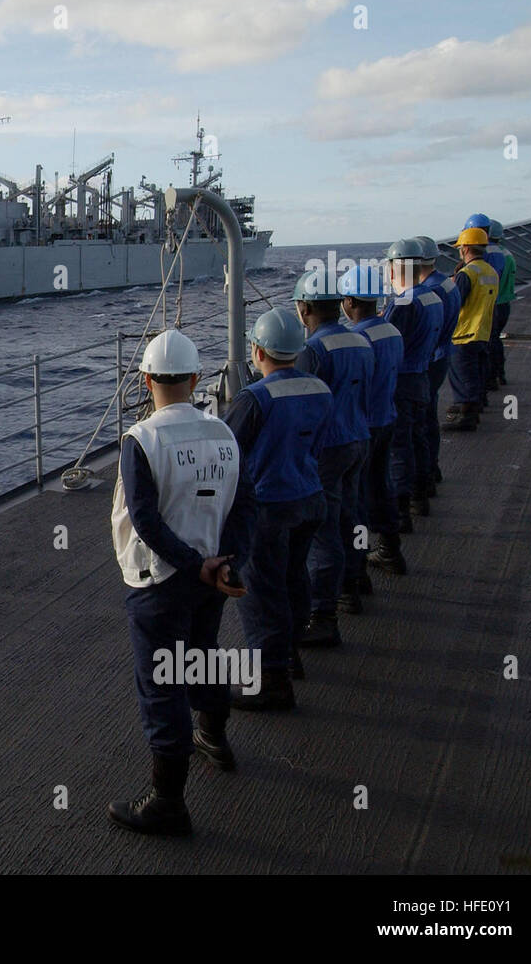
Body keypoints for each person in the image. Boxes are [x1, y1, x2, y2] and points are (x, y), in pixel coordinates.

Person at [109, 329, 255, 836]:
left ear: (148, 380)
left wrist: (193, 564)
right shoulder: (224, 434)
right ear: (195, 380)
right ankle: (213, 736)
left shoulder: (141, 440)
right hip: (211, 575)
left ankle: (168, 803)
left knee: (161, 685)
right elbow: (243, 502)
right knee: (202, 655)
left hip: (160, 581)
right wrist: (226, 563)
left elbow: (145, 521)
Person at [223, 307, 331, 710]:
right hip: (310, 498)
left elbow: (227, 450)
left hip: (268, 507)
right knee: (294, 577)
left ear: (258, 352)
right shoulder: (320, 389)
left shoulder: (254, 398)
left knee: (261, 591)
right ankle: (290, 652)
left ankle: (271, 680)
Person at [292, 269, 372, 649]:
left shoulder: (312, 350)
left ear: (305, 308)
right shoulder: (360, 340)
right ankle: (353, 582)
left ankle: (323, 615)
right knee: (350, 516)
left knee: (323, 532)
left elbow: (301, 405)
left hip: (328, 450)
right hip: (359, 438)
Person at [339, 265, 405, 587]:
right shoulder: (392, 331)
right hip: (387, 419)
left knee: (356, 502)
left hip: (363, 428)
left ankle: (358, 564)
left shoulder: (358, 339)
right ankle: (390, 549)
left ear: (350, 302)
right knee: (382, 485)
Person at [383, 238, 442, 529]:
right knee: (419, 436)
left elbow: (389, 347)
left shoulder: (403, 303)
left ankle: (401, 510)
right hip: (422, 376)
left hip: (402, 383)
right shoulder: (433, 296)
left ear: (395, 269)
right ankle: (422, 492)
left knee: (399, 446)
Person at [413, 235, 459, 497]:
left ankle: (425, 475)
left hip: (429, 361)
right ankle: (432, 467)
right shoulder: (446, 282)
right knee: (429, 414)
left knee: (421, 420)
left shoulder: (429, 291)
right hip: (442, 355)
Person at [443, 227, 499, 432]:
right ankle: (474, 406)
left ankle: (466, 416)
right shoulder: (490, 271)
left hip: (464, 333)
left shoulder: (466, 273)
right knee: (476, 373)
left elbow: (455, 303)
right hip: (483, 331)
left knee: (463, 376)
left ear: (465, 248)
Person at [485, 218, 516, 389]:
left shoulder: (489, 255)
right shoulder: (506, 253)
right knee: (495, 340)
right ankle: (500, 374)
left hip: (493, 304)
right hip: (504, 304)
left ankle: (491, 377)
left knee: (489, 342)